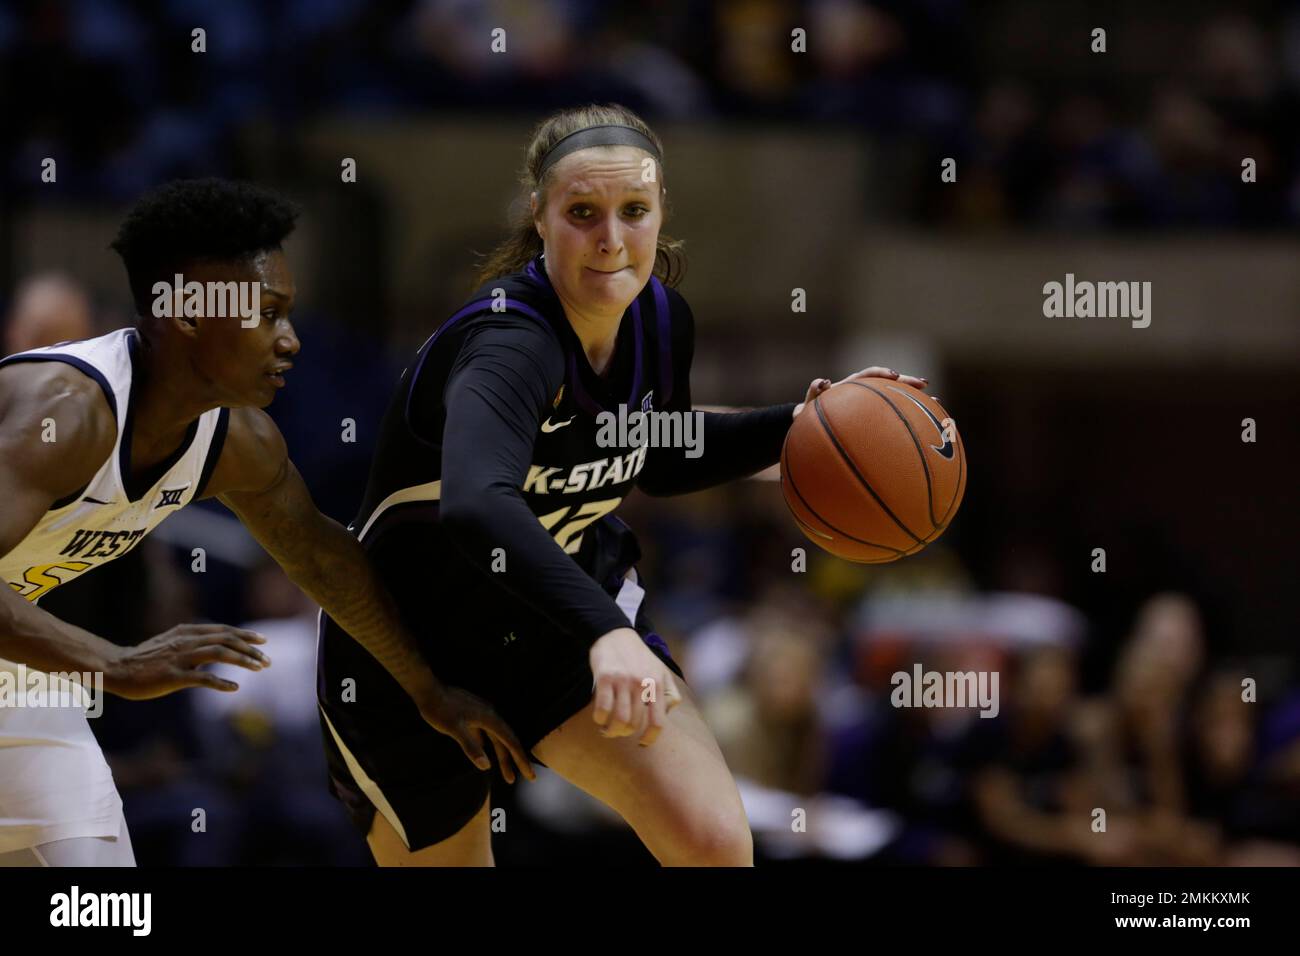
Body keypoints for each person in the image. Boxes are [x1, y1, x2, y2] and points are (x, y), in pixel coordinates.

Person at [317, 103, 929, 866]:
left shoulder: (661, 319)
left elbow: (655, 453)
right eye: (582, 213)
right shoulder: (509, 343)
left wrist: (808, 426)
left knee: (712, 843)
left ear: (661, 213)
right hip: (412, 645)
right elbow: (476, 502)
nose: (612, 239)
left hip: (556, 615)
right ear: (538, 219)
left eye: (634, 211)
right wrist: (607, 633)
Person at [0, 179, 530, 867]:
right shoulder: (65, 413)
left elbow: (323, 561)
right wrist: (115, 662)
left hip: (19, 678)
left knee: (103, 910)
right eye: (268, 314)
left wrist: (428, 688)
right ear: (188, 312)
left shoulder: (237, 442)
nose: (291, 341)